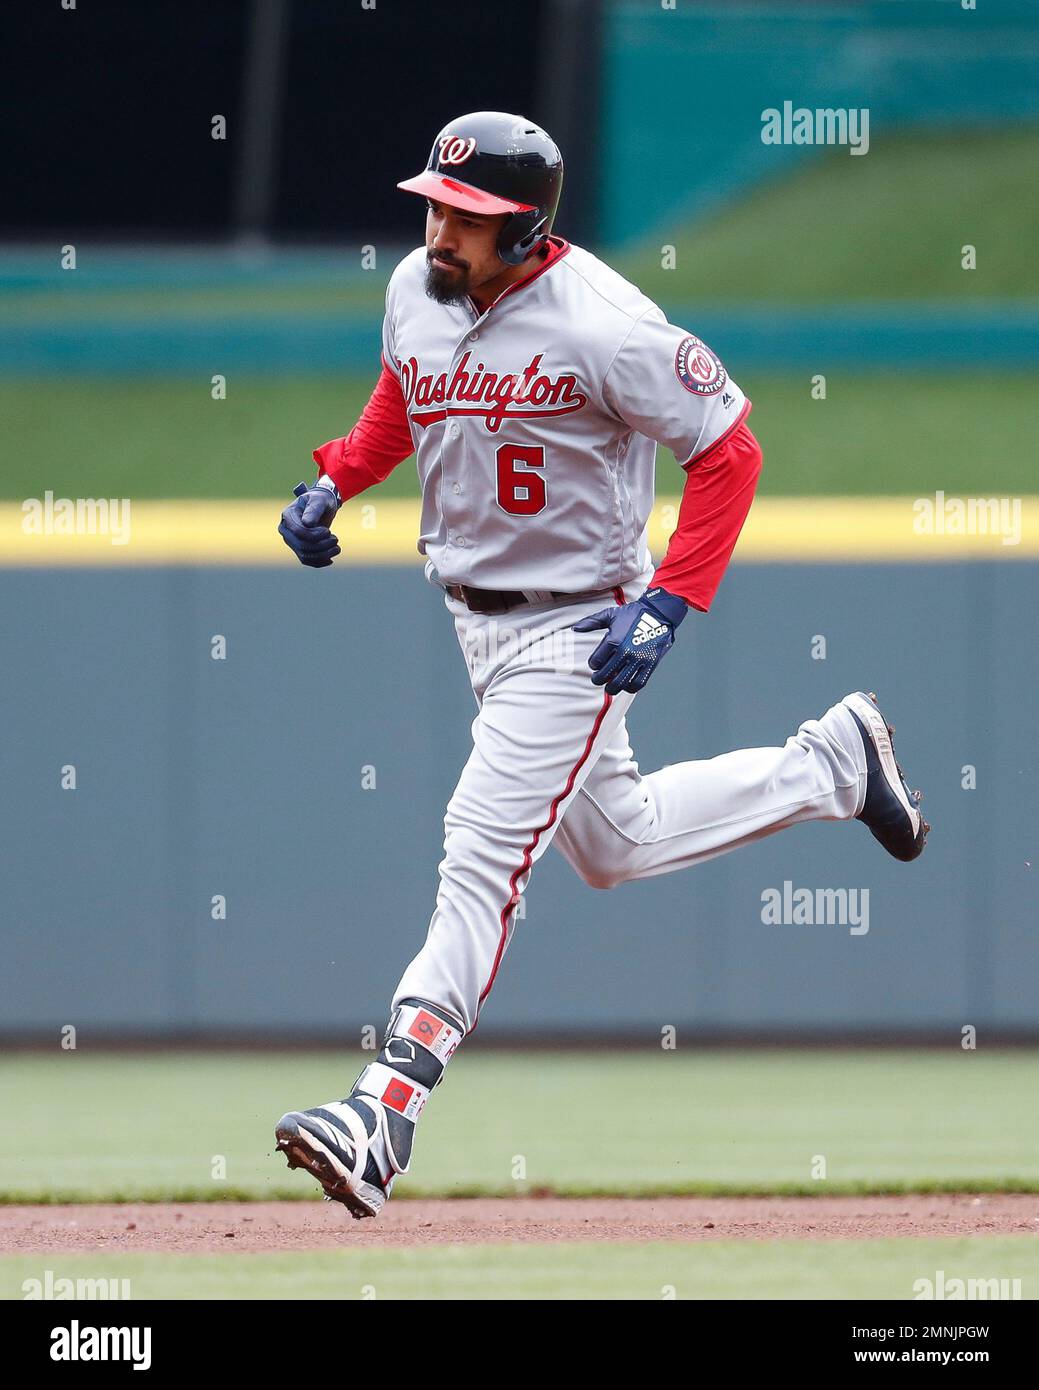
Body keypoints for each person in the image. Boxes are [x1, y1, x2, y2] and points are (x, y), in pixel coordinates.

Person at [274, 112, 928, 1219]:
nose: (442, 225)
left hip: (578, 628)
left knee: (479, 848)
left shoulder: (609, 325)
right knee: (612, 843)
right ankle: (832, 766)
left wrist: (670, 603)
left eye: (468, 214)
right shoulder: (416, 288)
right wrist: (339, 477)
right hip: (475, 620)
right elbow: (406, 393)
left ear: (527, 225)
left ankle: (384, 1106)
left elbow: (728, 451)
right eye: (435, 201)